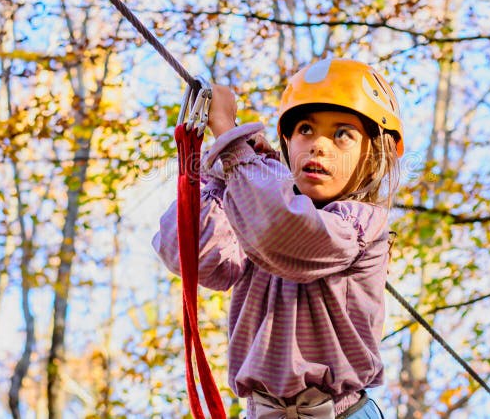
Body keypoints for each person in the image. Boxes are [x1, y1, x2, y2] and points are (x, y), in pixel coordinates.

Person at [152, 58, 404, 418]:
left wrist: (234, 144)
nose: (318, 145)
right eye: (305, 129)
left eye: (342, 134)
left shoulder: (361, 225)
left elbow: (287, 232)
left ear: (373, 155)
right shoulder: (258, 213)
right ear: (288, 143)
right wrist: (225, 176)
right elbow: (191, 254)